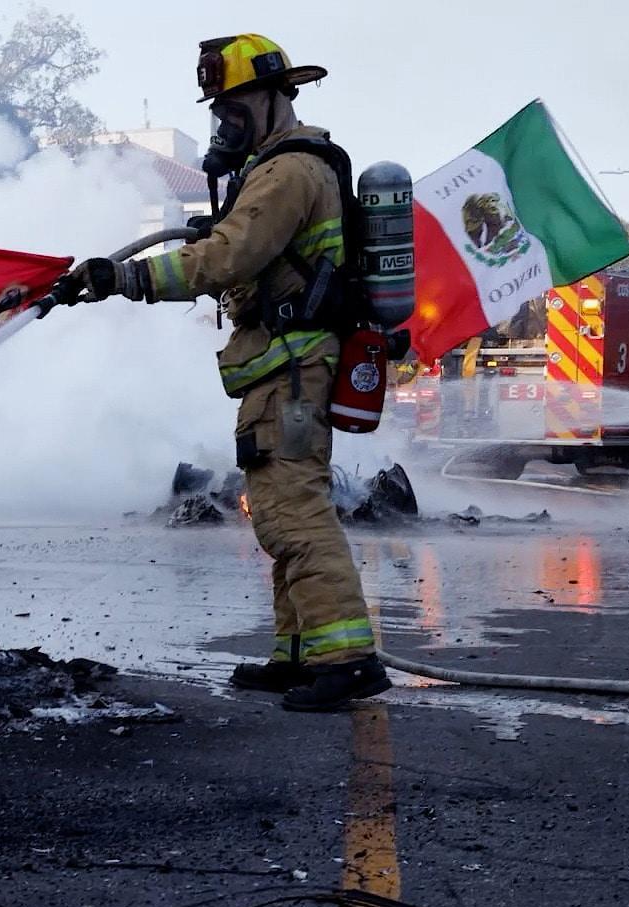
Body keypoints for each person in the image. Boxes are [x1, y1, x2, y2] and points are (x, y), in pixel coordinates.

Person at [56, 33, 388, 712]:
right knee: (276, 507)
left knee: (296, 512)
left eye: (233, 108)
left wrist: (127, 278)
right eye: (219, 111)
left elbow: (228, 259)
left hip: (294, 371)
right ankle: (299, 651)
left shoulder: (287, 172)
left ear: (272, 97)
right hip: (280, 369)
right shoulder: (274, 172)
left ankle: (348, 659)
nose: (224, 123)